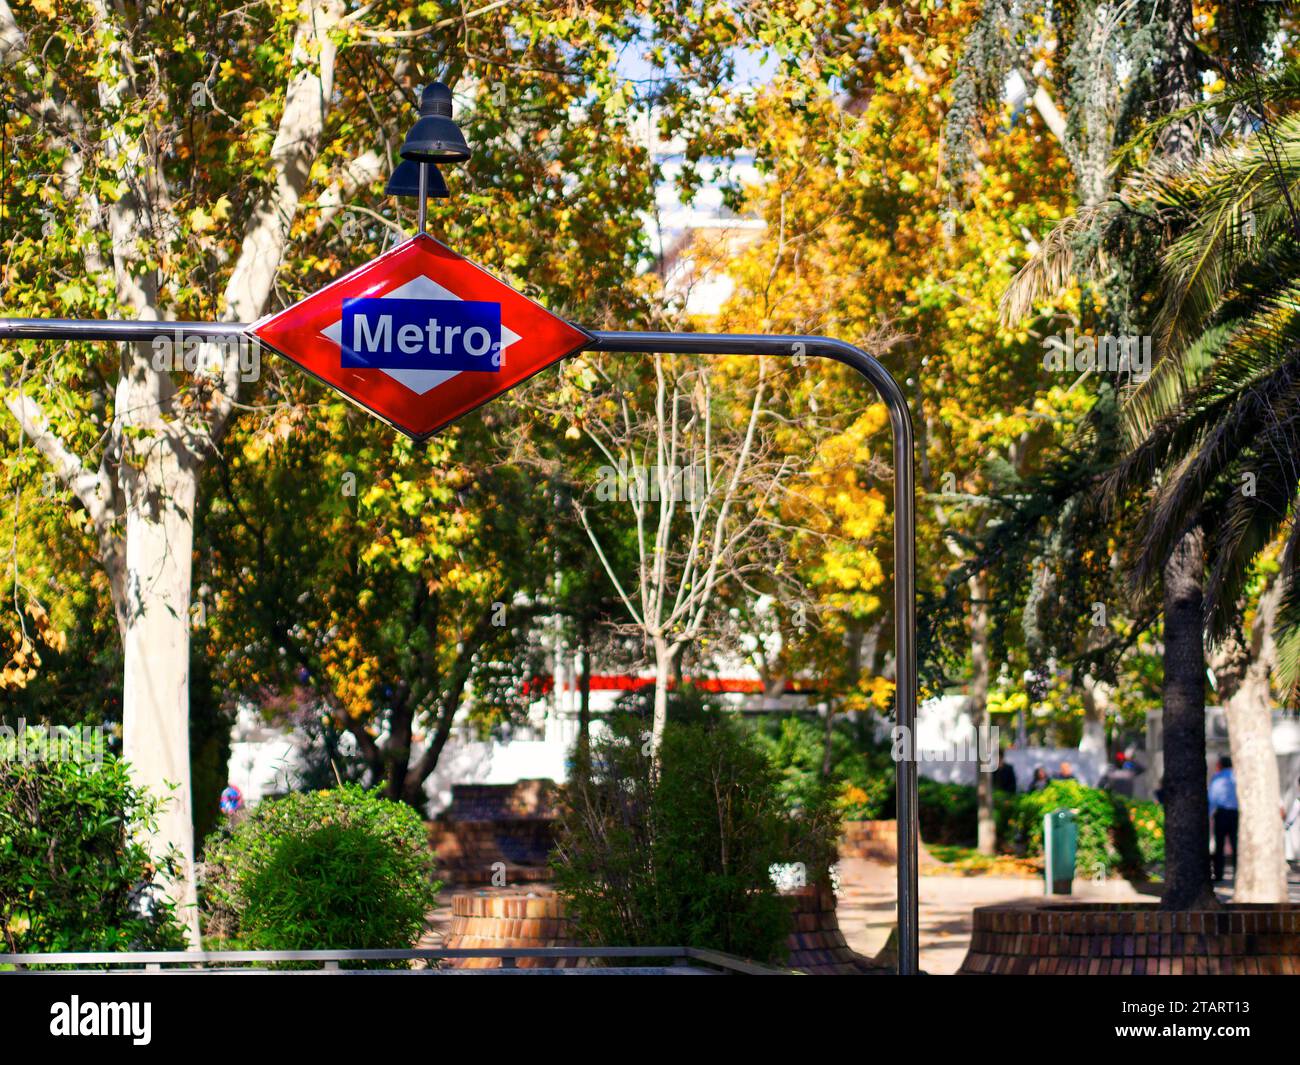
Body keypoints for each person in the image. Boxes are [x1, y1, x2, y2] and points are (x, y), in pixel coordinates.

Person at [1208, 756, 1239, 882]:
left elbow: (1212, 797)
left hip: (1221, 814)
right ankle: (1238, 873)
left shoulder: (1217, 777)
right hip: (1235, 813)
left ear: (1220, 765)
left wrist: (1209, 814)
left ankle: (1218, 874)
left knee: (1219, 845)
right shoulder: (1237, 778)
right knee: (1235, 843)